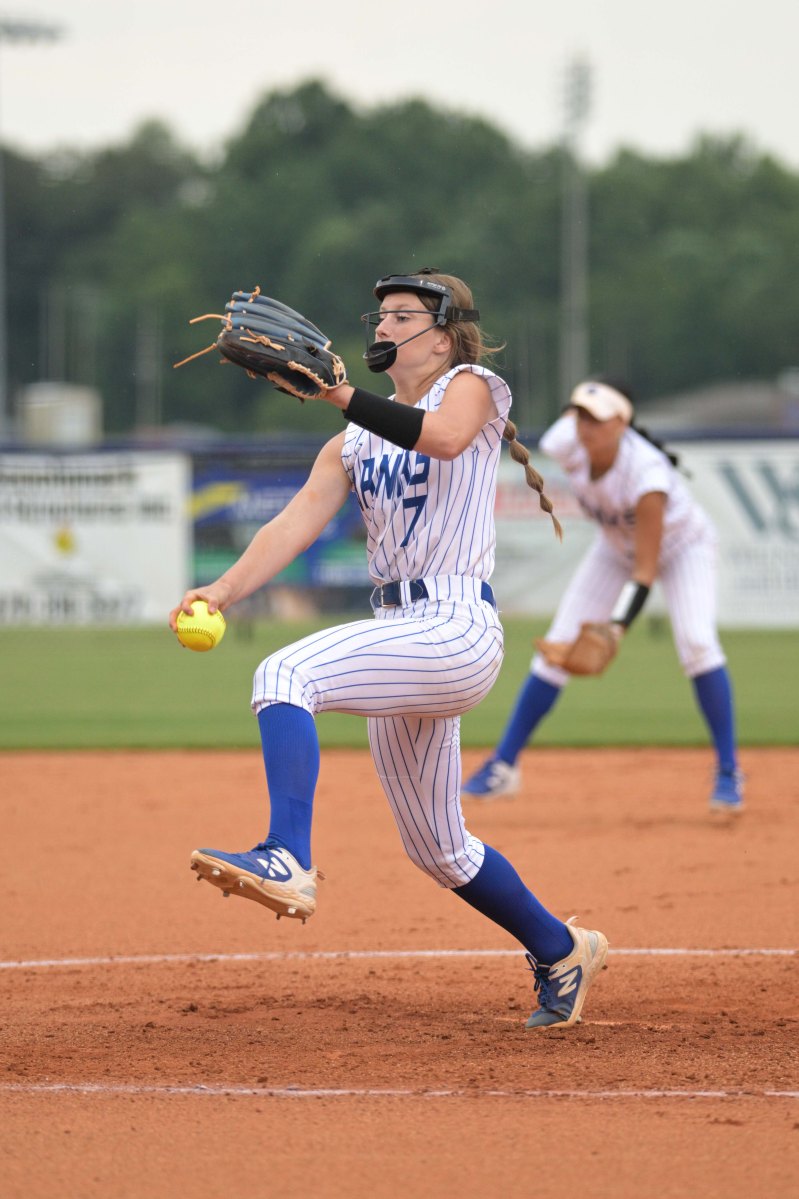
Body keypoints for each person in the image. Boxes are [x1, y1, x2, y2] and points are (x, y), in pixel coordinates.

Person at [169, 268, 608, 1029]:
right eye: (378, 314)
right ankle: (561, 946)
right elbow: (296, 519)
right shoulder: (352, 440)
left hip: (453, 625)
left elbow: (440, 439)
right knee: (439, 848)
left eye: (401, 314)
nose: (381, 325)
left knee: (284, 671)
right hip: (401, 633)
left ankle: (285, 855)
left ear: (440, 335)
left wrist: (341, 396)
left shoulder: (471, 383)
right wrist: (221, 592)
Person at [463, 378, 744, 813]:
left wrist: (616, 627)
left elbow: (646, 570)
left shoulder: (647, 476)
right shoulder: (564, 440)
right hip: (614, 547)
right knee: (556, 647)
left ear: (620, 425)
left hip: (681, 549)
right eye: (579, 413)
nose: (583, 424)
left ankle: (728, 771)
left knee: (698, 644)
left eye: (595, 418)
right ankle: (503, 766)